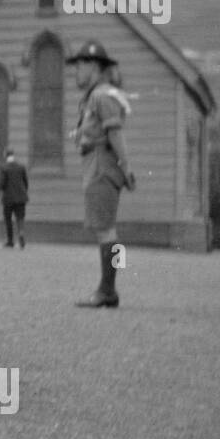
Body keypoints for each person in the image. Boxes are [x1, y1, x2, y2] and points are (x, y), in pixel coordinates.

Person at [67, 42, 136, 308]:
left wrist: (126, 167)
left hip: (101, 165)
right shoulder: (96, 95)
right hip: (97, 163)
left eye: (80, 65)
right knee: (104, 228)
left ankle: (108, 290)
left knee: (106, 229)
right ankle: (108, 288)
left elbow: (115, 132)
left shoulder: (101, 95)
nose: (76, 71)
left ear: (95, 67)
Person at [0, 148, 29, 248]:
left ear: (5, 155)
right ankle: (21, 233)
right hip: (21, 197)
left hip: (8, 198)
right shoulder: (21, 167)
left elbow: (2, 183)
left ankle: (10, 241)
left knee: (8, 219)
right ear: (13, 155)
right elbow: (25, 182)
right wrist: (23, 192)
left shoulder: (3, 168)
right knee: (20, 217)